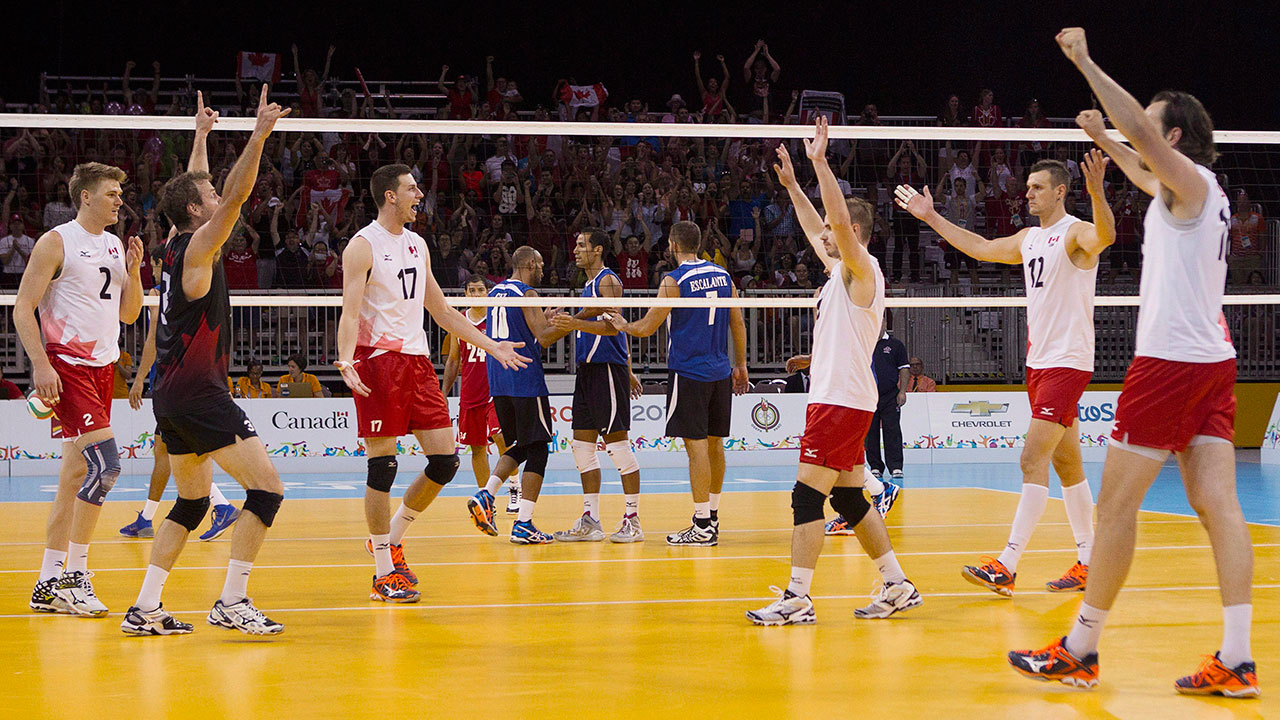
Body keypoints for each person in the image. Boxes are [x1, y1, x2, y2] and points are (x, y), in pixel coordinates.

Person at [1008, 28, 1257, 698]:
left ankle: (1081, 649)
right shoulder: (1197, 191)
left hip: (1170, 364)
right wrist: (1106, 143)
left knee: (1115, 507)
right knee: (1219, 505)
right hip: (1213, 361)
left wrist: (1086, 63)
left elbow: (1146, 146)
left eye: (1148, 122)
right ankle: (1238, 659)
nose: (1138, 127)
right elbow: (1144, 168)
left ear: (1172, 136)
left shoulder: (1192, 182)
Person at [898, 147, 1115, 598]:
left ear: (1060, 191)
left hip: (1067, 362)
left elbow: (1106, 236)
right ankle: (1090, 562)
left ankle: (1008, 564)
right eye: (1028, 187)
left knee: (1031, 460)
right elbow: (980, 248)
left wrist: (1097, 192)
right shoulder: (1029, 238)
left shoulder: (1076, 233)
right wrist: (931, 216)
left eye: (1037, 188)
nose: (1027, 194)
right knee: (1067, 465)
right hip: (1039, 363)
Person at [121, 86, 288, 637]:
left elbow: (194, 189)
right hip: (198, 393)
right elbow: (234, 197)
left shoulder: (175, 240)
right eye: (207, 194)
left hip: (171, 395)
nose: (216, 193)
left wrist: (200, 136)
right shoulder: (197, 248)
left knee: (191, 504)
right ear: (196, 211)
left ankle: (145, 607)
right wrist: (258, 135)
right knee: (267, 491)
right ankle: (232, 601)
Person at [746, 119, 921, 625]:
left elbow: (837, 224)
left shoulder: (863, 270)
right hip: (838, 397)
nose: (822, 233)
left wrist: (821, 163)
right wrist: (793, 186)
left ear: (853, 234)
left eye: (832, 228)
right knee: (847, 497)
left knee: (806, 496)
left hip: (841, 400)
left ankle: (797, 597)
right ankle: (897, 585)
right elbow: (816, 227)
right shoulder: (838, 276)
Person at [335, 163, 527, 601]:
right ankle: (383, 571)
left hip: (417, 362)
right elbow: (349, 312)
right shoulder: (362, 245)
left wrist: (492, 345)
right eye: (411, 189)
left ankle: (391, 538)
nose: (419, 195)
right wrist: (345, 358)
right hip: (377, 360)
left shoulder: (417, 244)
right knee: (383, 465)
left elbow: (441, 311)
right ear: (390, 196)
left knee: (445, 461)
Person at [15, 161, 143, 617]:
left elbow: (129, 314)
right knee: (107, 467)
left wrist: (135, 271)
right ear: (85, 196)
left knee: (72, 480)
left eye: (120, 193)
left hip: (102, 368)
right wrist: (40, 364)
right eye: (111, 193)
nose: (120, 200)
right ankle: (75, 577)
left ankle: (47, 584)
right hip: (67, 365)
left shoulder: (113, 243)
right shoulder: (56, 241)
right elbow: (22, 307)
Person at [605, 220, 749, 546]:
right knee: (714, 446)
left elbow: (647, 327)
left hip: (689, 372)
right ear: (698, 243)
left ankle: (702, 525)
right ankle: (712, 516)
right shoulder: (723, 275)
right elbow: (738, 323)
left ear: (672, 244)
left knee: (696, 449)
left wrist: (622, 324)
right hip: (719, 370)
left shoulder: (674, 280)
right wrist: (740, 364)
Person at [549, 228, 646, 543]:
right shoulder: (588, 285)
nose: (575, 250)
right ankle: (591, 520)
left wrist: (574, 323)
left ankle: (632, 520)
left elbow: (614, 327)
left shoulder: (608, 280)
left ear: (598, 250)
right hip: (588, 370)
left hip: (606, 369)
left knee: (618, 447)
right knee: (581, 447)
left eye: (581, 245)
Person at [465, 246, 561, 544]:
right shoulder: (527, 293)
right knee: (539, 449)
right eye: (541, 263)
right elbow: (544, 337)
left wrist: (541, 320)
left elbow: (522, 330)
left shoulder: (495, 292)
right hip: (525, 379)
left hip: (499, 382)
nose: (543, 268)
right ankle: (524, 523)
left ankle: (486, 493)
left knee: (521, 445)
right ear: (530, 263)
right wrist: (569, 323)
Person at [439, 274, 519, 514]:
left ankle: (514, 487)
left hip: (496, 390)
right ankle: (487, 499)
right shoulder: (459, 321)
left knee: (502, 438)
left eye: (480, 290)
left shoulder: (496, 317)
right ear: (465, 294)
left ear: (488, 292)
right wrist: (443, 393)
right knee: (476, 448)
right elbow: (453, 360)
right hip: (470, 392)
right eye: (471, 290)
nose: (475, 294)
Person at [863, 311, 910, 481]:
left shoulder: (895, 345)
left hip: (890, 396)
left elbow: (904, 368)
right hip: (868, 396)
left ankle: (896, 466)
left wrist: (902, 391)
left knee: (892, 430)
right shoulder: (863, 343)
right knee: (870, 432)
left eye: (879, 322)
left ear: (884, 323)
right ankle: (875, 466)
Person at [1228, 189, 1264, 286]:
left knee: (1253, 284)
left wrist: (1260, 253)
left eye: (1244, 201)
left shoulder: (1257, 218)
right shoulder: (1232, 219)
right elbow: (1229, 238)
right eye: (1240, 202)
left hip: (1252, 257)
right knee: (1238, 285)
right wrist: (1229, 256)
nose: (1242, 204)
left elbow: (1262, 236)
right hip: (1236, 258)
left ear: (1249, 203)